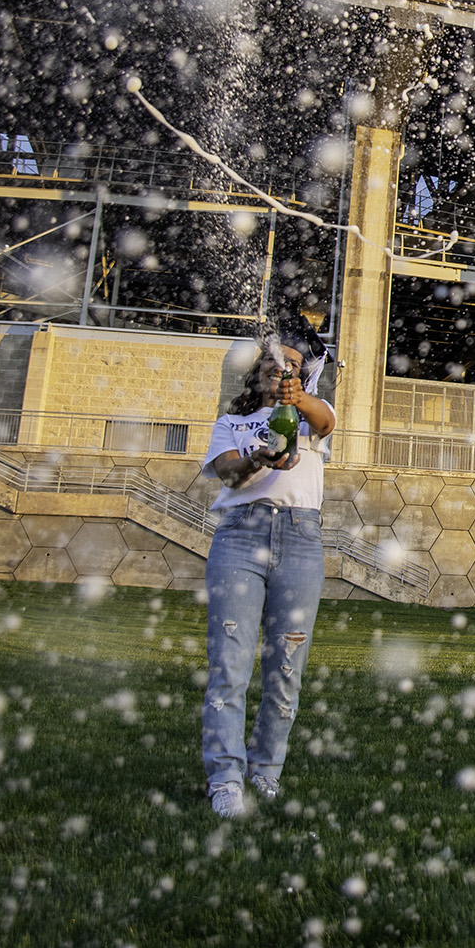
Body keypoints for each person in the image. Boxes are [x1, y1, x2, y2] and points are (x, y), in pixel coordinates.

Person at [200, 326, 336, 820]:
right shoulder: (229, 424)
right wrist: (260, 457)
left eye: (293, 367)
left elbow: (326, 420)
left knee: (286, 667)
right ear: (257, 374)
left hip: (301, 538)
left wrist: (299, 399)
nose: (281, 372)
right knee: (230, 664)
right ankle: (225, 777)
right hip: (239, 535)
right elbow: (228, 473)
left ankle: (266, 770)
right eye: (274, 365)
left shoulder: (310, 419)